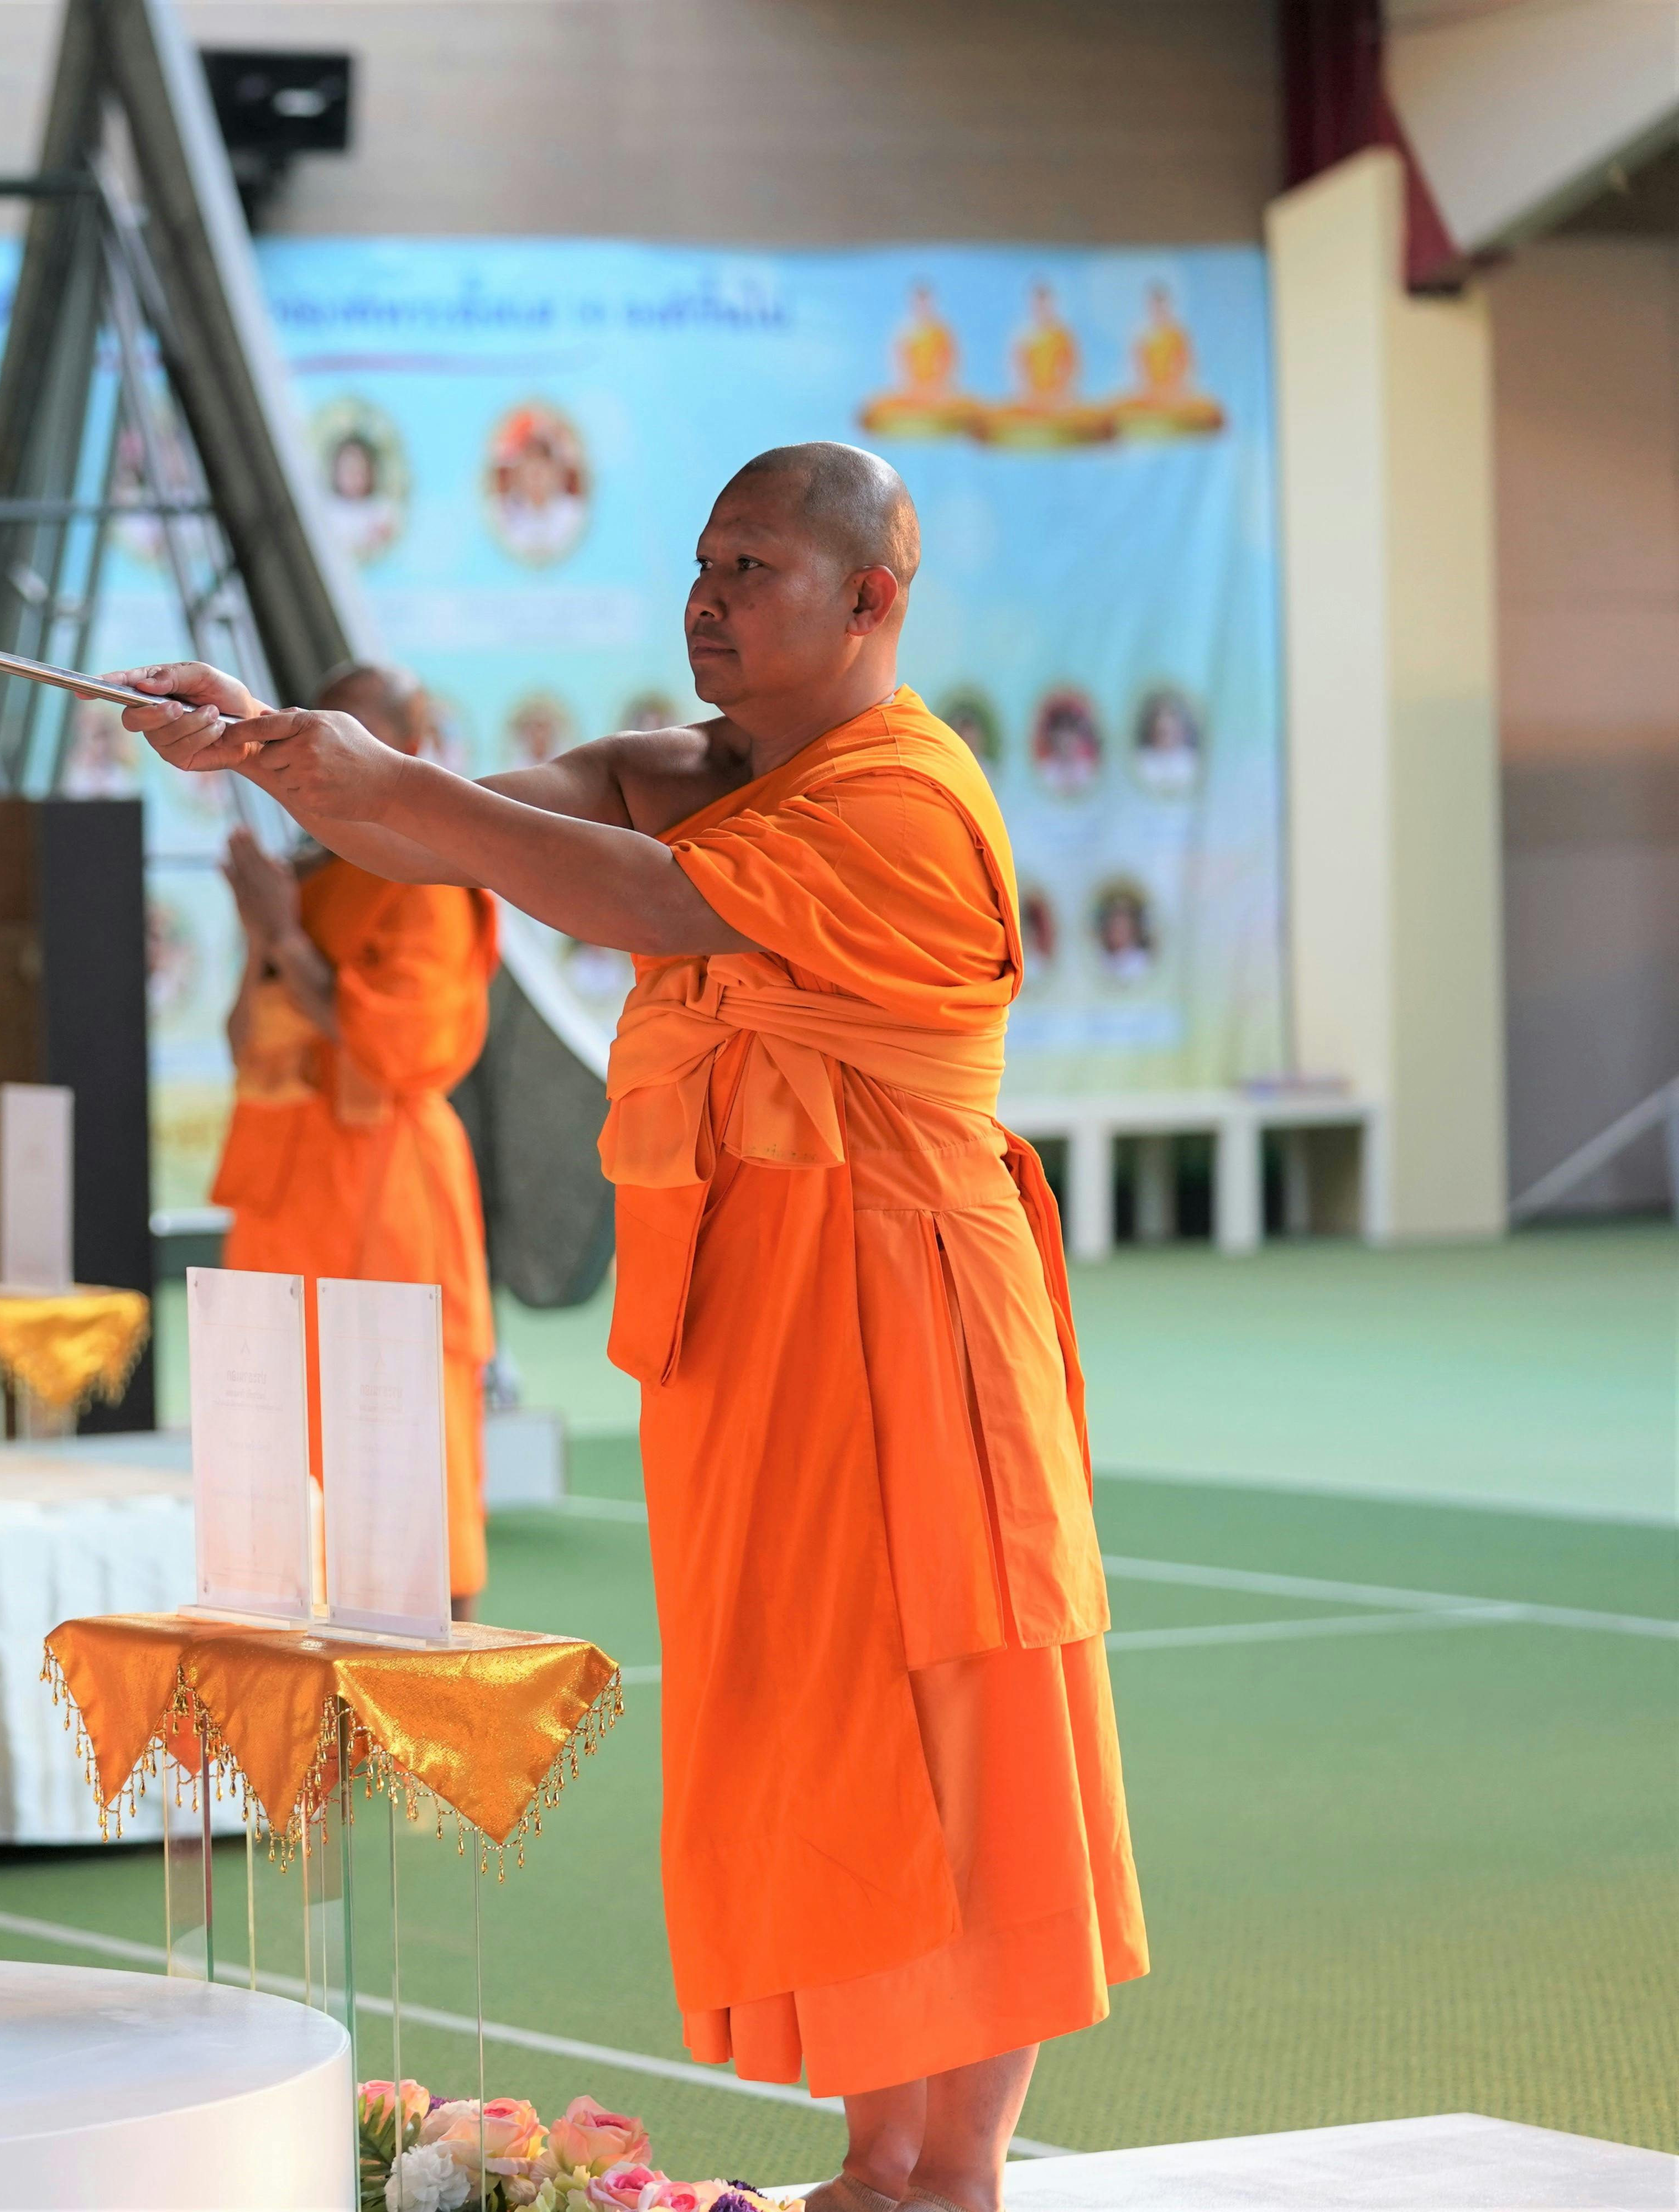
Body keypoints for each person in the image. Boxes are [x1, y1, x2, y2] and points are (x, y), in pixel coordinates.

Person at [116, 442, 1144, 2212]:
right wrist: (277, 751)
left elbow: (610, 891)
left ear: (871, 600)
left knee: (960, 1711)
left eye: (751, 569)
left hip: (912, 1318)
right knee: (818, 1715)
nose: (707, 602)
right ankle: (880, 2154)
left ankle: (956, 2170)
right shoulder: (719, 772)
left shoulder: (903, 802)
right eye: (701, 564)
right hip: (767, 1325)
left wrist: (373, 783)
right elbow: (466, 822)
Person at [211, 662, 500, 1618]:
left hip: (386, 1199)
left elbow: (403, 1047)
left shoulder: (430, 884)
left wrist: (286, 940)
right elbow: (248, 1039)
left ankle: (432, 1695)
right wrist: (268, 935)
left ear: (408, 757)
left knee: (402, 1436)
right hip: (290, 1193)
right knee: (281, 1449)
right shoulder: (316, 878)